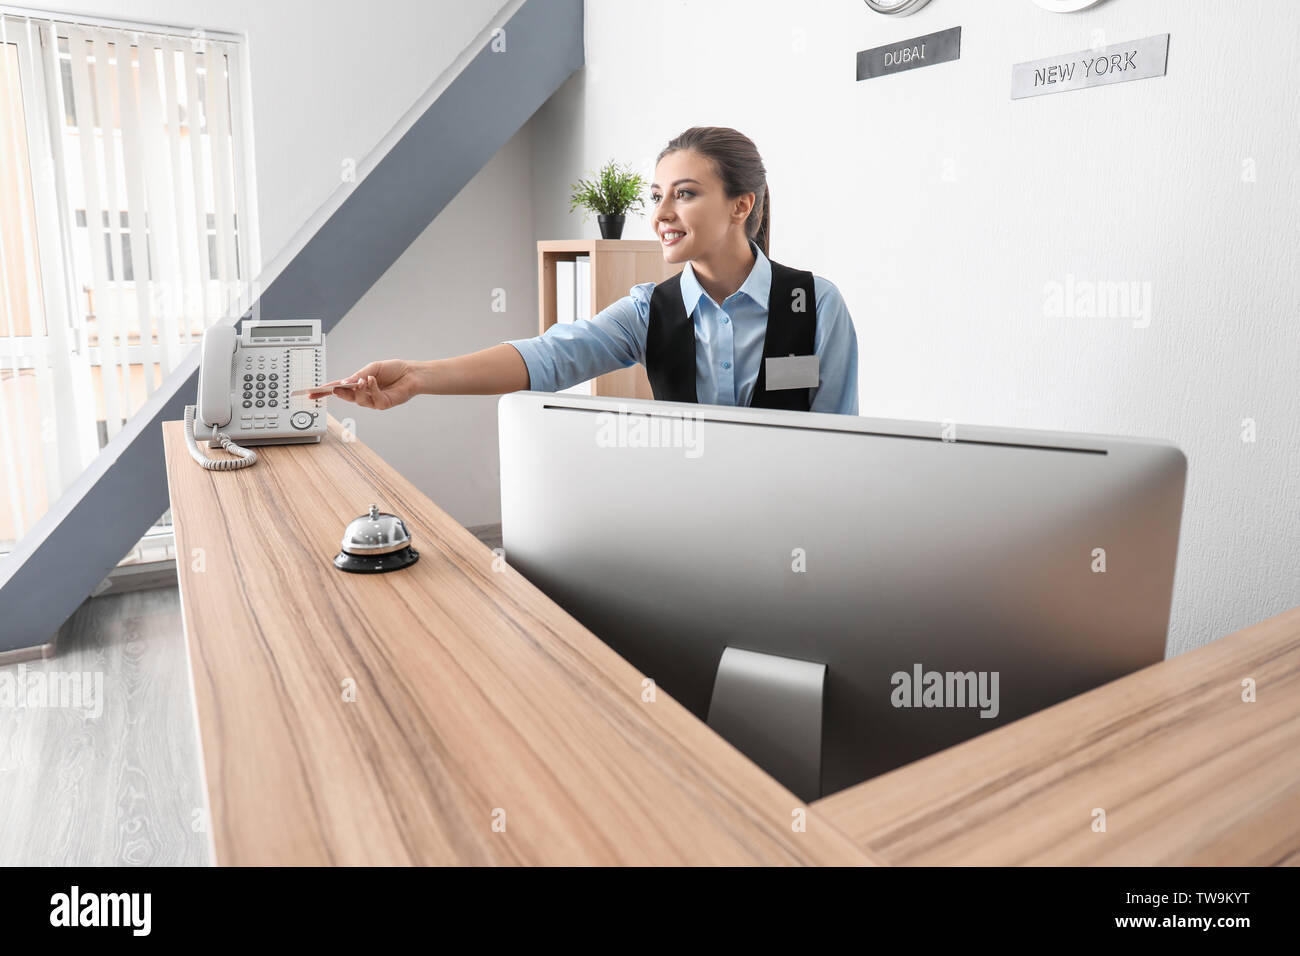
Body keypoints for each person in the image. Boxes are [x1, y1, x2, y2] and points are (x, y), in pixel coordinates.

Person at [309, 126, 858, 414]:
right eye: (656, 195)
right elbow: (547, 356)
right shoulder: (650, 310)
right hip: (692, 521)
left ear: (742, 205)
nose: (661, 214)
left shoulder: (816, 304)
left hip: (793, 525)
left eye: (685, 194)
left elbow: (842, 444)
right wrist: (419, 377)